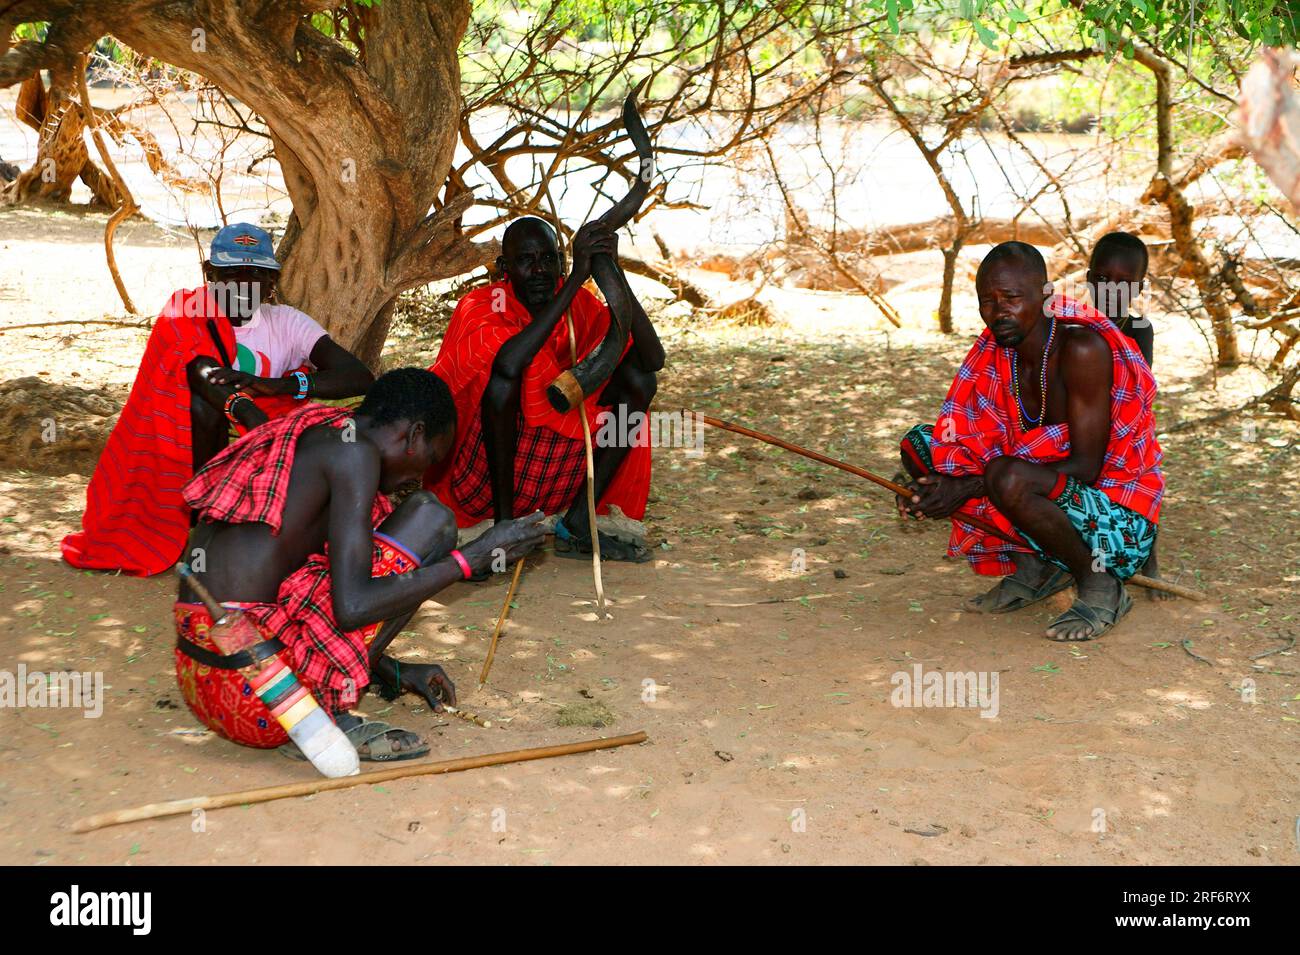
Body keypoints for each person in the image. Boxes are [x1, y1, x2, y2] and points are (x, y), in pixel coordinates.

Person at [175, 368, 546, 761]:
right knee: (431, 519)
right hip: (272, 703)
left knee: (346, 565)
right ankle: (327, 713)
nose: (420, 475)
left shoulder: (315, 431)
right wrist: (471, 558)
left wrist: (391, 669)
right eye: (429, 458)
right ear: (414, 434)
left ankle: (356, 675)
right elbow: (351, 608)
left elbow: (293, 588)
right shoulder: (356, 454)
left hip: (203, 681)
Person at [62, 223, 373, 576]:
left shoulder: (287, 323)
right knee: (202, 406)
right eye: (233, 274)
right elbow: (198, 368)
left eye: (257, 274)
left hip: (268, 448)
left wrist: (279, 386)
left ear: (273, 282)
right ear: (210, 274)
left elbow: (359, 376)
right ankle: (202, 524)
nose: (245, 285)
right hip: (203, 446)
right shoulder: (186, 311)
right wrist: (250, 414)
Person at [896, 242, 1164, 641]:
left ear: (1045, 294)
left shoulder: (1081, 348)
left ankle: (1100, 584)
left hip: (1117, 527)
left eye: (1012, 298)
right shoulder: (997, 351)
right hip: (1044, 492)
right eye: (988, 300)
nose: (999, 311)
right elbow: (966, 445)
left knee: (1004, 475)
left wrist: (966, 486)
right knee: (922, 446)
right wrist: (931, 489)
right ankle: (1036, 567)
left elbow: (1087, 468)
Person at [425, 217, 663, 563]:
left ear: (561, 262)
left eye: (549, 259)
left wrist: (612, 271)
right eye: (526, 261)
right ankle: (505, 528)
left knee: (641, 381)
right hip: (484, 480)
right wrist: (576, 279)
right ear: (504, 268)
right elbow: (509, 364)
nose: (539, 271)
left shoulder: (579, 305)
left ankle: (579, 521)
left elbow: (652, 358)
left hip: (554, 472)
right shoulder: (481, 304)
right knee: (503, 383)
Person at [1087, 231, 1168, 596]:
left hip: (1125, 426)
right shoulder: (1069, 326)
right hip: (1079, 423)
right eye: (1103, 280)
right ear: (1089, 280)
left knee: (1144, 471)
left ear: (1139, 288)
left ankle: (1148, 559)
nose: (1111, 291)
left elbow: (1140, 389)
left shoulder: (1139, 330)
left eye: (1124, 283)